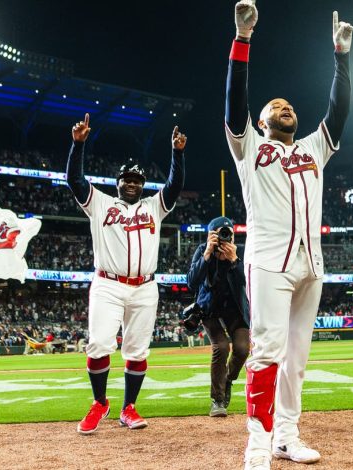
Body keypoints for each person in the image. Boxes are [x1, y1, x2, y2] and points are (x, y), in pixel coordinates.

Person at [225, 2, 353, 468]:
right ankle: (257, 443)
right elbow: (235, 101)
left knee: (296, 359)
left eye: (290, 106)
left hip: (311, 263)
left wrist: (341, 58)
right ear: (261, 122)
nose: (286, 108)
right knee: (268, 351)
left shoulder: (312, 148)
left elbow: (337, 112)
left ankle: (286, 436)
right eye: (276, 107)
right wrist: (243, 37)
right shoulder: (249, 147)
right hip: (270, 261)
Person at [66, 113, 186, 434]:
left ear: (142, 185)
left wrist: (177, 154)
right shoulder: (101, 204)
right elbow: (75, 181)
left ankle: (128, 408)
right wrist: (78, 145)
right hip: (108, 283)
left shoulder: (154, 206)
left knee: (136, 350)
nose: (131, 183)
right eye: (127, 179)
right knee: (100, 344)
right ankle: (100, 402)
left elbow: (175, 186)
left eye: (137, 180)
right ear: (118, 183)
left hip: (145, 287)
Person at [186, 216, 250, 418]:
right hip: (210, 309)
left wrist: (235, 261)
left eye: (227, 234)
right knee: (221, 347)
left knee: (242, 348)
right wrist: (206, 254)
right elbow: (191, 282)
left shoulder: (239, 253)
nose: (224, 239)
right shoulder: (202, 251)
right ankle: (218, 400)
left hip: (235, 309)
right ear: (210, 236)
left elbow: (247, 282)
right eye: (219, 234)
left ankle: (228, 379)